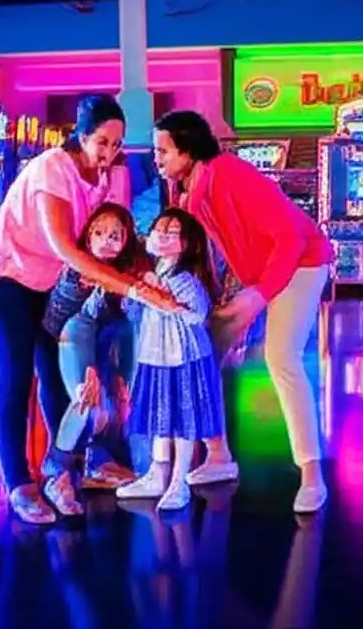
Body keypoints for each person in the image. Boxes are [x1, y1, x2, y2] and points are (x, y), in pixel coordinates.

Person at [0, 94, 179, 525]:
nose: (109, 152)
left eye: (117, 144)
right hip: (3, 274)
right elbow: (66, 246)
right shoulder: (52, 167)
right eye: (102, 142)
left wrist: (150, 272)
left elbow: (115, 237)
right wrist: (137, 291)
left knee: (63, 374)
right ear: (81, 136)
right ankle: (19, 484)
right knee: (16, 375)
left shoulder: (111, 174)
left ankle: (64, 469)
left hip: (54, 283)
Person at [154, 110, 334, 513]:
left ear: (188, 150)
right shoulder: (190, 192)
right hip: (257, 274)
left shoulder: (229, 173)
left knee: (281, 357)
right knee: (199, 352)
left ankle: (312, 475)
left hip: (302, 262)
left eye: (163, 150)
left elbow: (289, 238)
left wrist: (258, 296)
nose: (156, 158)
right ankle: (218, 454)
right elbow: (210, 254)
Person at [115, 207, 226, 511]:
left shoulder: (186, 279)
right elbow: (133, 310)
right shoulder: (152, 272)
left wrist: (158, 293)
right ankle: (158, 472)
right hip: (155, 354)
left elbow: (196, 314)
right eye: (158, 231)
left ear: (187, 243)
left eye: (171, 233)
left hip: (184, 357)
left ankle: (179, 480)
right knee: (161, 415)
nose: (162, 237)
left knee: (182, 417)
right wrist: (138, 291)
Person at [41, 202, 148, 510]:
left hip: (106, 342)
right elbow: (69, 324)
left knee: (117, 401)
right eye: (99, 233)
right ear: (88, 235)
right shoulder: (77, 270)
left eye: (115, 235)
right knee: (86, 400)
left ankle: (98, 462)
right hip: (70, 337)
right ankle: (57, 471)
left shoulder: (129, 271)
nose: (105, 241)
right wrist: (89, 368)